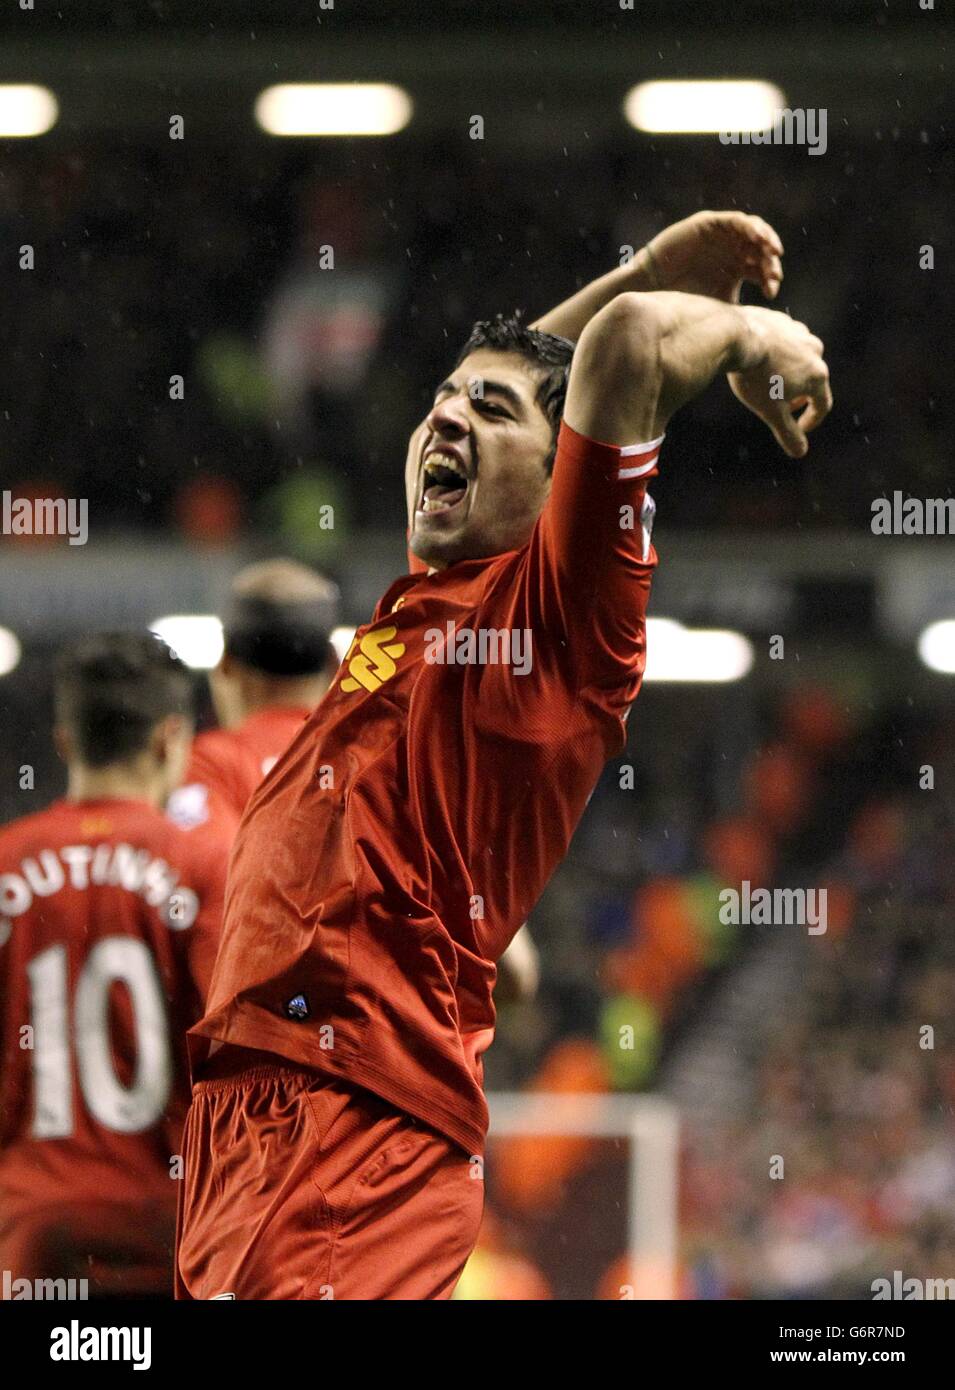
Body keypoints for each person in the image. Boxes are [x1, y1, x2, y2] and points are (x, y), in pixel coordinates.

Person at [176, 210, 831, 1300]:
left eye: (483, 411)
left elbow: (620, 351)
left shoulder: (558, 614)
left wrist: (748, 339)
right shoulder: (431, 595)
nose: (444, 417)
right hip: (259, 1107)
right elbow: (523, 381)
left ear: (560, 458)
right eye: (436, 403)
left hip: (356, 1110)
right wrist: (644, 270)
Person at [0, 633, 227, 1298]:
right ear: (169, 740)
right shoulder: (207, 866)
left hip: (31, 1226)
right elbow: (234, 1053)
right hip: (173, 1225)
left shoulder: (6, 862)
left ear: (65, 741)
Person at [167, 558, 341, 845]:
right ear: (335, 663)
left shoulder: (210, 765)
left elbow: (211, 876)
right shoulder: (368, 758)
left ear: (225, 665)